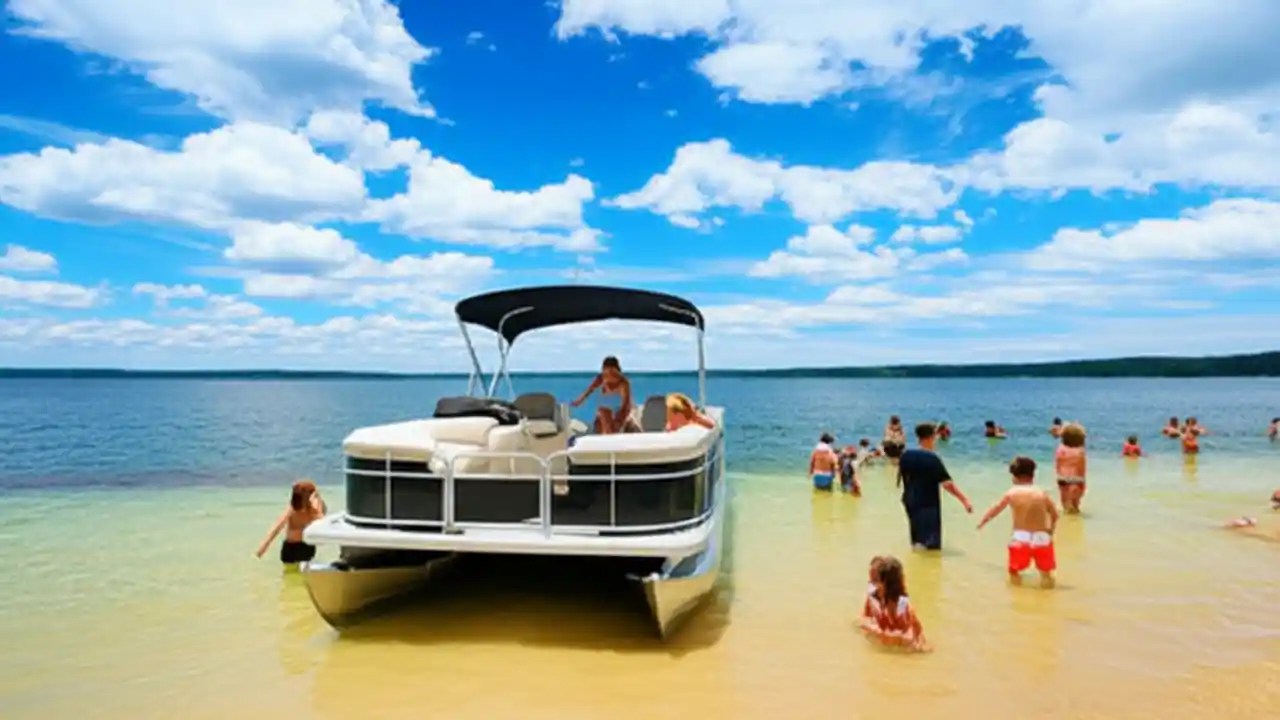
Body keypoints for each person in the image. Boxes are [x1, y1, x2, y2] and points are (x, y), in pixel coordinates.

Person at [977, 456, 1059, 588]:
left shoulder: (1012, 493)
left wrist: (983, 521)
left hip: (1021, 537)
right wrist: (1051, 531)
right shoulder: (1041, 493)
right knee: (1046, 573)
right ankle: (1047, 598)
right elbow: (1055, 515)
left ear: (1014, 476)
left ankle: (1017, 598)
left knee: (1014, 571)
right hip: (1042, 537)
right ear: (1033, 475)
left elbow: (996, 509)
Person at [897, 423, 973, 550]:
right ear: (931, 437)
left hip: (910, 500)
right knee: (930, 543)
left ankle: (918, 564)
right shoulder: (932, 459)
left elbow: (902, 477)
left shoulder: (906, 455)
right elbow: (947, 484)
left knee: (917, 538)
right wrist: (964, 500)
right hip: (927, 504)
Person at [860, 555, 929, 651]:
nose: (871, 585)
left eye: (875, 581)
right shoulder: (873, 597)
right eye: (871, 581)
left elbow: (908, 632)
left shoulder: (902, 604)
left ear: (888, 584)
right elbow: (864, 620)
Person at [255, 479, 327, 564]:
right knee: (290, 573)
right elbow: (278, 526)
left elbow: (322, 521)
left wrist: (317, 500)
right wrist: (264, 546)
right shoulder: (292, 509)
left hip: (306, 546)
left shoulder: (313, 509)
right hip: (290, 547)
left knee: (301, 573)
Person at [571, 356, 633, 434]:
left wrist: (619, 421)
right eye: (607, 371)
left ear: (617, 371)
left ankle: (609, 438)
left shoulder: (623, 383)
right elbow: (589, 390)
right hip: (604, 414)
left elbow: (626, 406)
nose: (609, 375)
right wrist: (579, 401)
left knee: (605, 415)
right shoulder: (601, 378)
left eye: (612, 372)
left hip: (619, 413)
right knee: (603, 413)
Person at [1055, 423, 1088, 513]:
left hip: (1062, 479)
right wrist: (1083, 484)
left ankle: (1068, 523)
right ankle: (1074, 523)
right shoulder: (1080, 452)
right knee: (1075, 505)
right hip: (1077, 480)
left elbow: (1057, 465)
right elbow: (1082, 469)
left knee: (1065, 505)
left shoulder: (1060, 449)